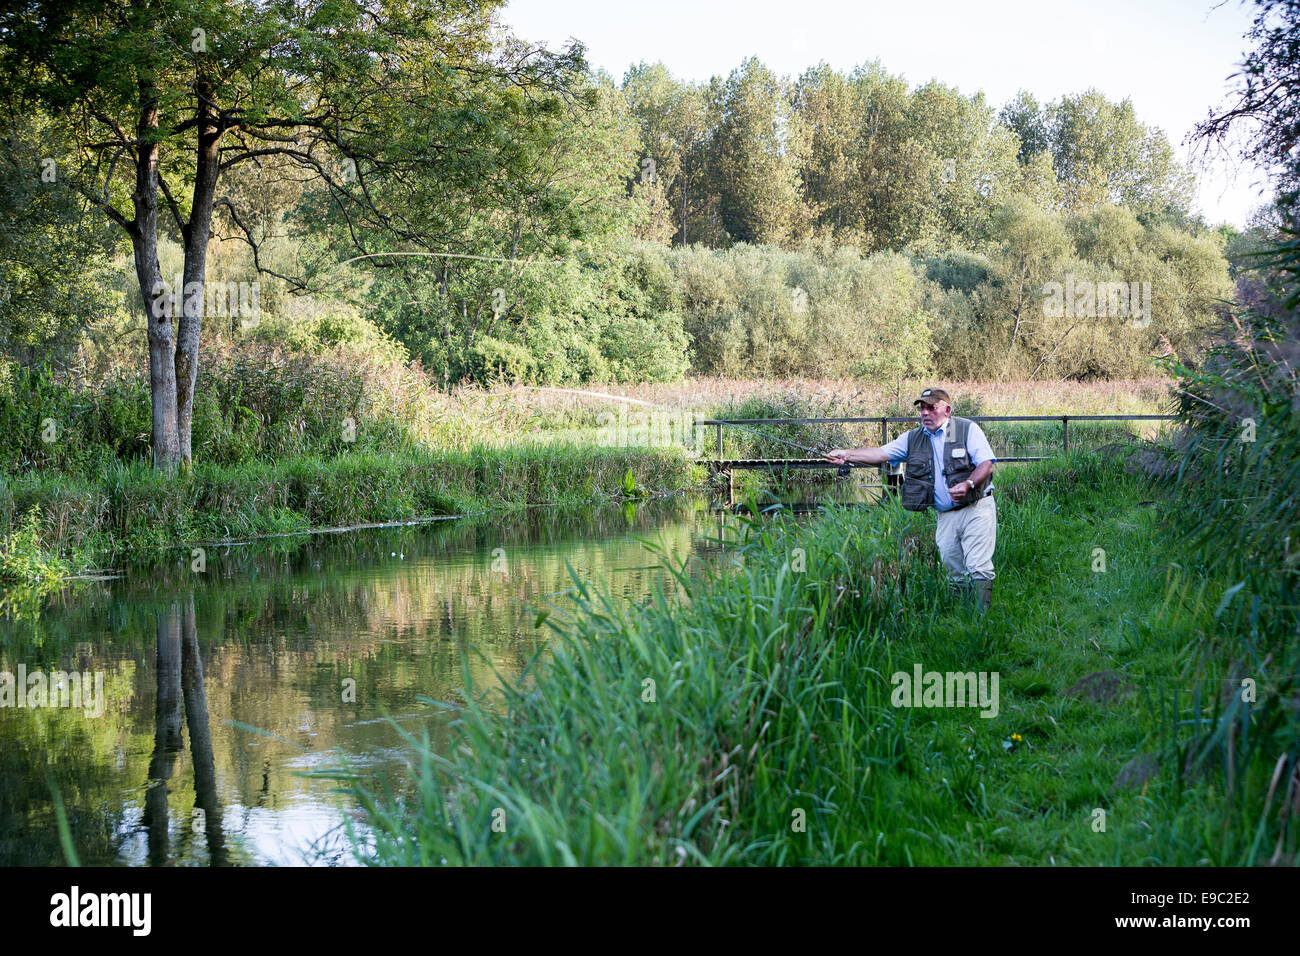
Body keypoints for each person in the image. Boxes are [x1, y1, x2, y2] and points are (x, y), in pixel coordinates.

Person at [825, 387, 998, 612]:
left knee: (978, 566)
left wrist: (969, 484)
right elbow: (880, 454)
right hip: (945, 515)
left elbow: (986, 463)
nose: (925, 413)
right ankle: (961, 617)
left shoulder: (966, 429)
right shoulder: (913, 438)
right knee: (954, 571)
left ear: (947, 410)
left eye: (931, 408)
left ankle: (981, 621)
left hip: (977, 508)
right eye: (922, 408)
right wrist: (846, 455)